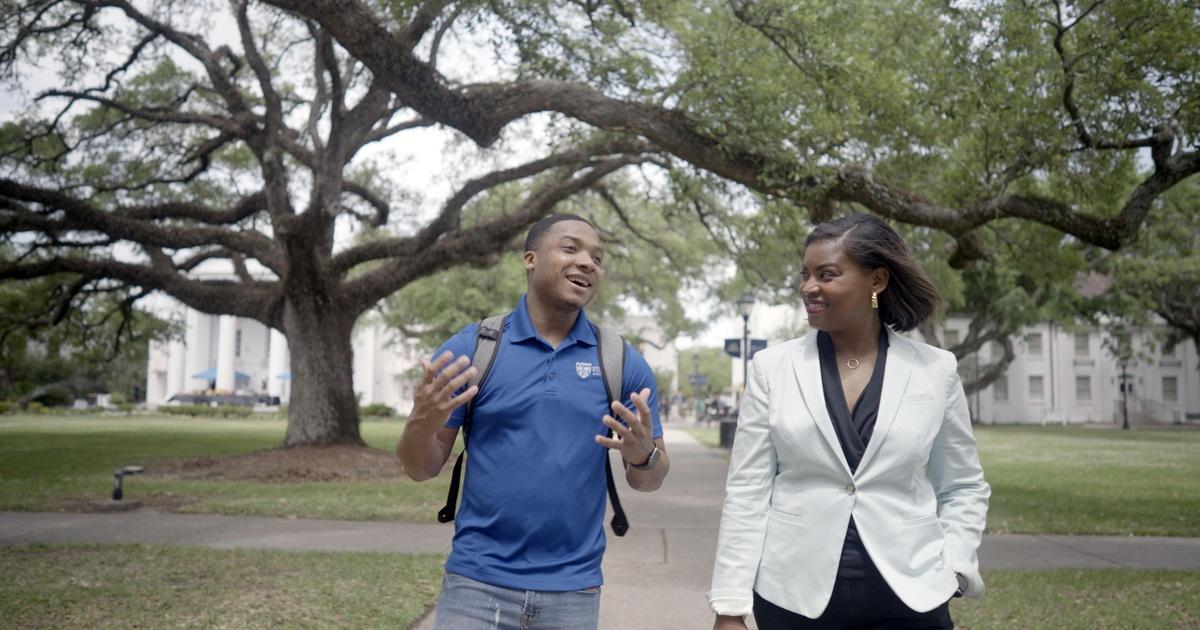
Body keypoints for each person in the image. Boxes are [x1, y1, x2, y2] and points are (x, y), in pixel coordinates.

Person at [708, 213, 989, 629]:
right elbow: (747, 492)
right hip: (794, 596)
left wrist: (955, 564)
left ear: (876, 281)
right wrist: (730, 605)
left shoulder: (936, 370)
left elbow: (963, 484)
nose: (808, 287)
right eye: (805, 274)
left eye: (827, 274)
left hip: (910, 594)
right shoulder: (772, 368)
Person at [398, 214, 671, 630]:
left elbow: (649, 479)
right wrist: (420, 422)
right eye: (570, 248)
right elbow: (420, 469)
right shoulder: (472, 350)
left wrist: (644, 456)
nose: (587, 262)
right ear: (530, 258)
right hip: (476, 584)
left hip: (573, 592)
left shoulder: (620, 361)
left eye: (596, 257)